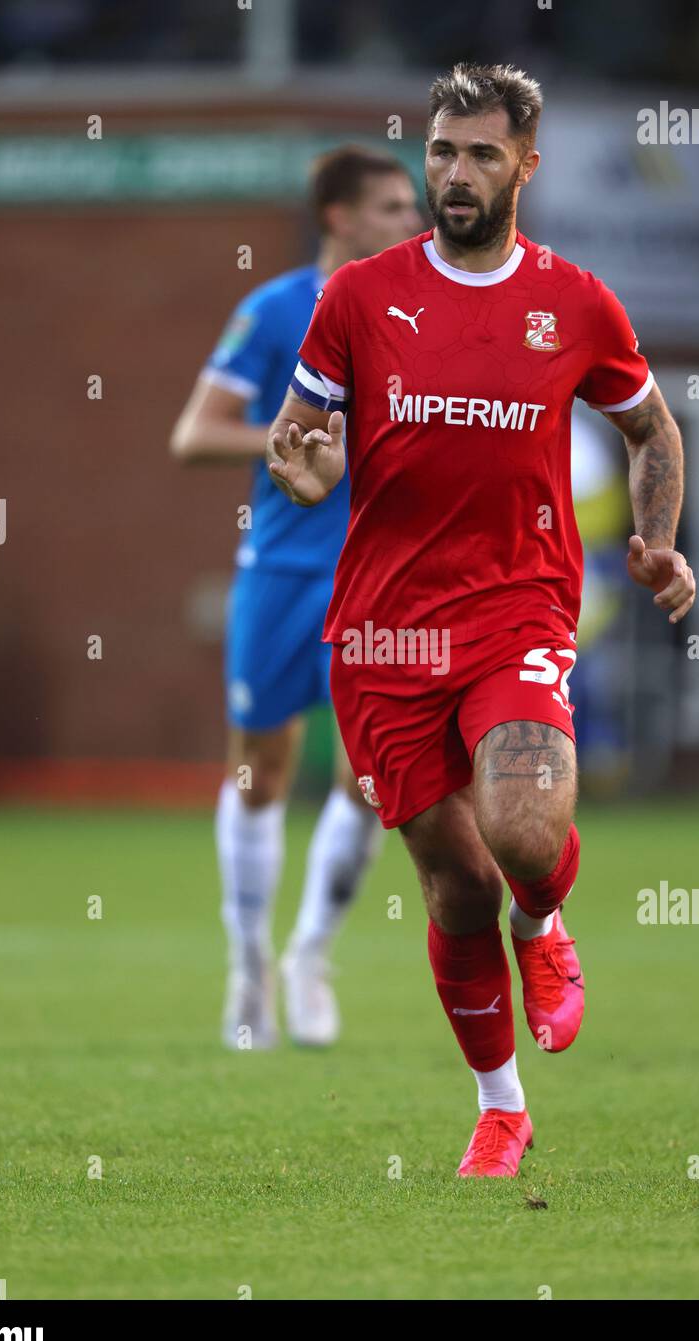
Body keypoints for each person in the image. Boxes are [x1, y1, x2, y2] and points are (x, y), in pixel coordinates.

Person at [265, 65, 696, 1172]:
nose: (455, 175)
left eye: (482, 156)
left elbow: (653, 430)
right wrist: (305, 475)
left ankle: (544, 926)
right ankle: (501, 1106)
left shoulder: (578, 303)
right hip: (382, 634)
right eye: (443, 152)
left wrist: (659, 540)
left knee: (521, 834)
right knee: (455, 883)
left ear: (527, 167)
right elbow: (297, 438)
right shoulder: (358, 297)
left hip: (518, 607)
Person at [172, 146, 422, 1049]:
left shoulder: (416, 316)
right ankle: (248, 969)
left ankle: (311, 955)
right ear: (339, 218)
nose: (413, 221)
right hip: (281, 576)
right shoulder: (275, 309)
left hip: (381, 582)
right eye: (394, 206)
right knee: (260, 773)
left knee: (370, 780)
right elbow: (193, 435)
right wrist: (292, 439)